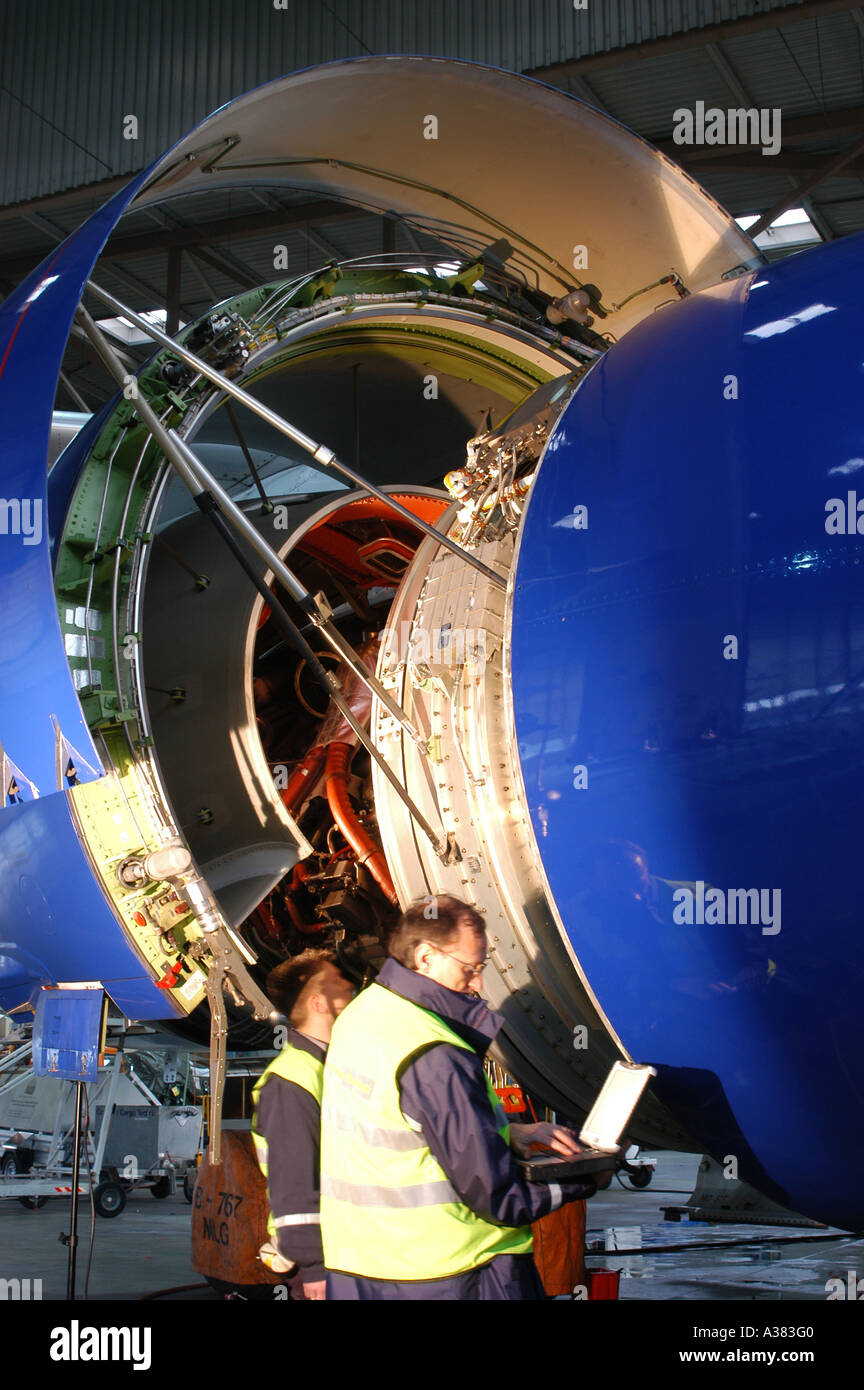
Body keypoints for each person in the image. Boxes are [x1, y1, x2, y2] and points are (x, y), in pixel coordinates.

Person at [320, 896, 612, 1300]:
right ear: (425, 957)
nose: (477, 983)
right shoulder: (435, 1051)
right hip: (455, 1269)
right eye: (470, 968)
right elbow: (501, 1199)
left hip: (359, 1268)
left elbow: (398, 1125)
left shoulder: (361, 1014)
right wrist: (586, 1178)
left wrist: (508, 1132)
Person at [251, 948, 354, 1300]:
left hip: (346, 1248)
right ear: (319, 1003)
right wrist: (315, 1268)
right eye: (339, 983)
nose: (350, 988)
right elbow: (295, 1182)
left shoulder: (328, 1068)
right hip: (325, 1261)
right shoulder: (292, 1079)